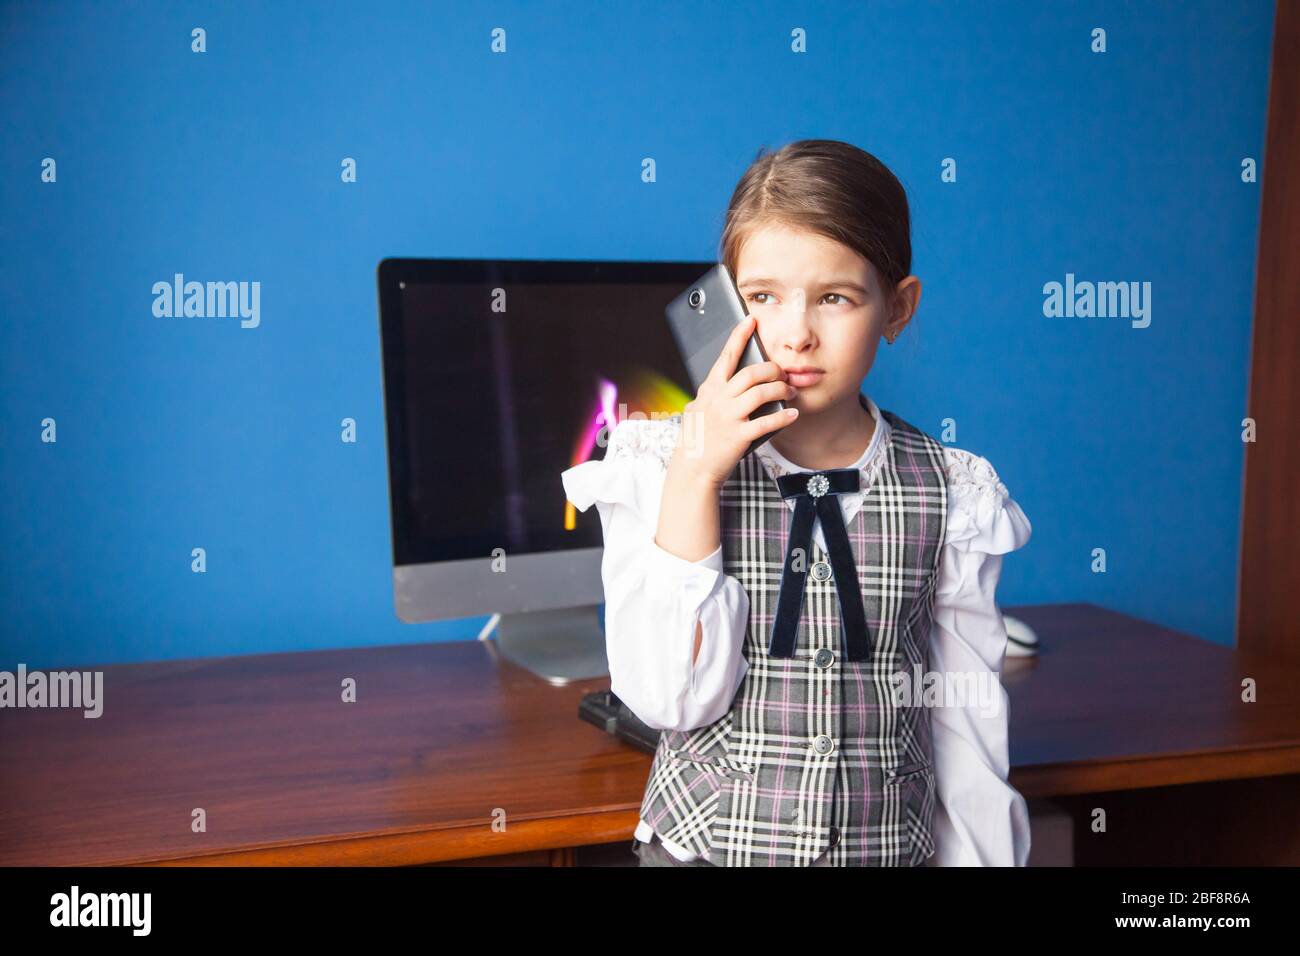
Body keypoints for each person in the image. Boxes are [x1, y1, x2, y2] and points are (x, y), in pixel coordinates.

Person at [561, 139, 1032, 867]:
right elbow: (668, 701)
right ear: (726, 300)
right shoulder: (659, 466)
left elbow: (966, 719)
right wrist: (696, 476)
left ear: (897, 308)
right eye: (763, 298)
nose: (795, 334)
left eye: (835, 297)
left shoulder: (952, 491)